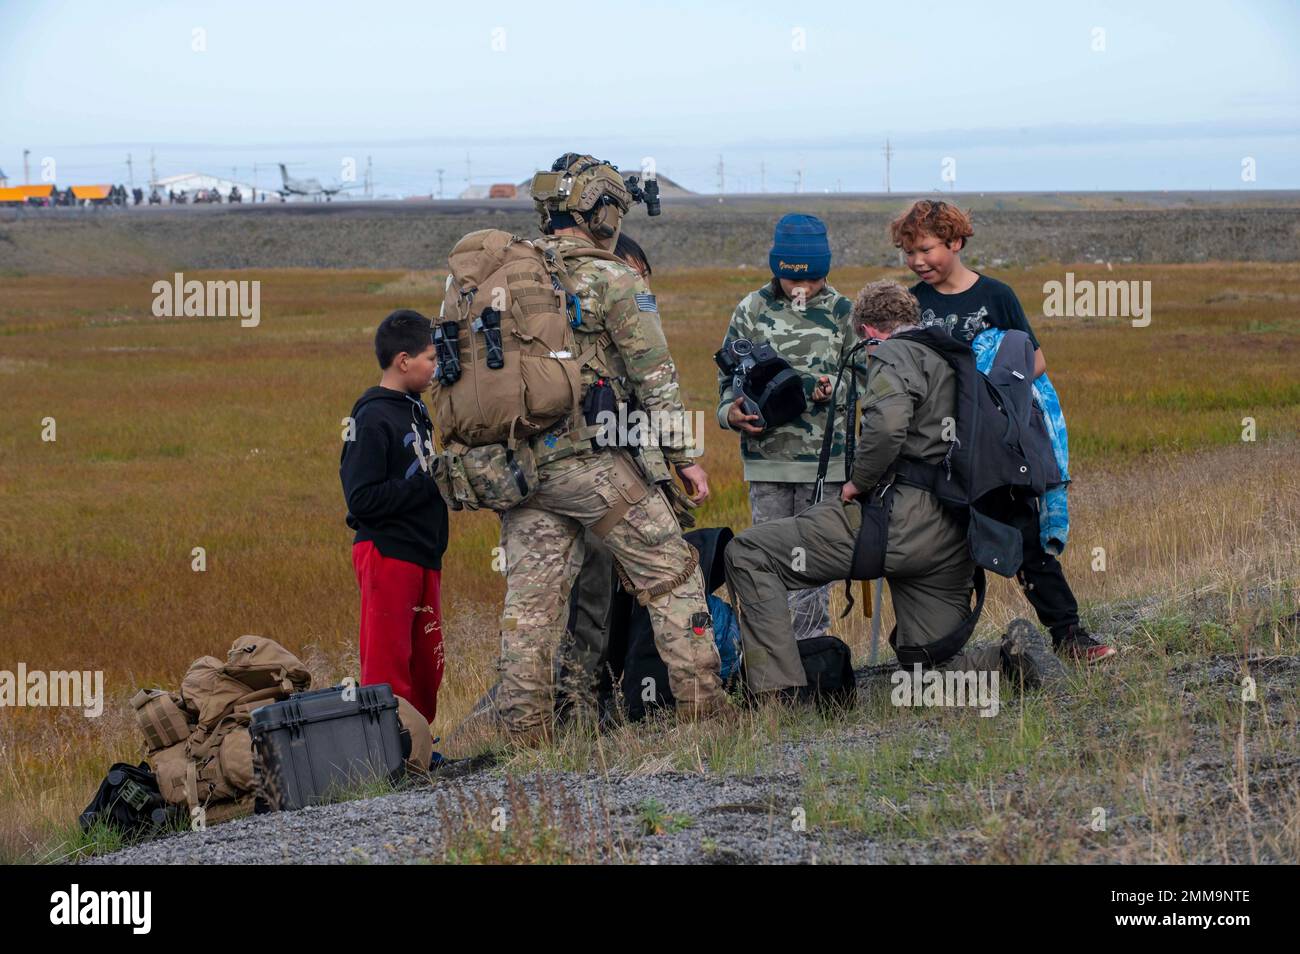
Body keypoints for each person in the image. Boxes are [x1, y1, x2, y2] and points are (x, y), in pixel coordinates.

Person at [724, 280, 1066, 696]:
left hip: (897, 523)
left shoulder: (892, 353)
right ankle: (1010, 660)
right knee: (925, 678)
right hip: (955, 535)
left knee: (748, 553)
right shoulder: (950, 358)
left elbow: (887, 425)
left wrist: (857, 483)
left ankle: (779, 696)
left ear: (868, 333)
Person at [492, 153, 726, 742]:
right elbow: (654, 376)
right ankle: (707, 716)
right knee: (672, 579)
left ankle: (526, 738)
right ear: (600, 211)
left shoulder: (507, 278)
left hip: (522, 470)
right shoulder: (612, 277)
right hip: (597, 466)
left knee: (531, 610)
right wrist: (684, 457)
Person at [890, 199, 1115, 663]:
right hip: (933, 454)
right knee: (934, 551)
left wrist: (988, 395)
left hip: (993, 450)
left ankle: (1069, 636)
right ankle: (928, 655)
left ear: (956, 242)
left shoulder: (996, 296)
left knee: (1025, 540)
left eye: (926, 249)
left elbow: (1034, 360)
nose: (916, 261)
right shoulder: (912, 303)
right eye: (908, 252)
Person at [717, 213, 865, 641]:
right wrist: (730, 413)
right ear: (776, 269)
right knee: (766, 560)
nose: (802, 289)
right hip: (767, 465)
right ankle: (769, 654)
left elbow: (865, 378)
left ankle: (809, 654)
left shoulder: (843, 312)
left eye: (813, 280)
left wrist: (832, 388)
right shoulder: (751, 309)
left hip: (825, 465)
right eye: (791, 280)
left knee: (814, 560)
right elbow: (728, 380)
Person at [339, 309, 449, 723]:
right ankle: (389, 758)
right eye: (431, 359)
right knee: (388, 665)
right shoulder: (370, 417)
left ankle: (418, 751)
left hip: (424, 552)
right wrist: (433, 480)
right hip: (388, 553)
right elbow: (361, 499)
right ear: (404, 361)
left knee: (427, 663)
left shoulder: (416, 410)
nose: (437, 368)